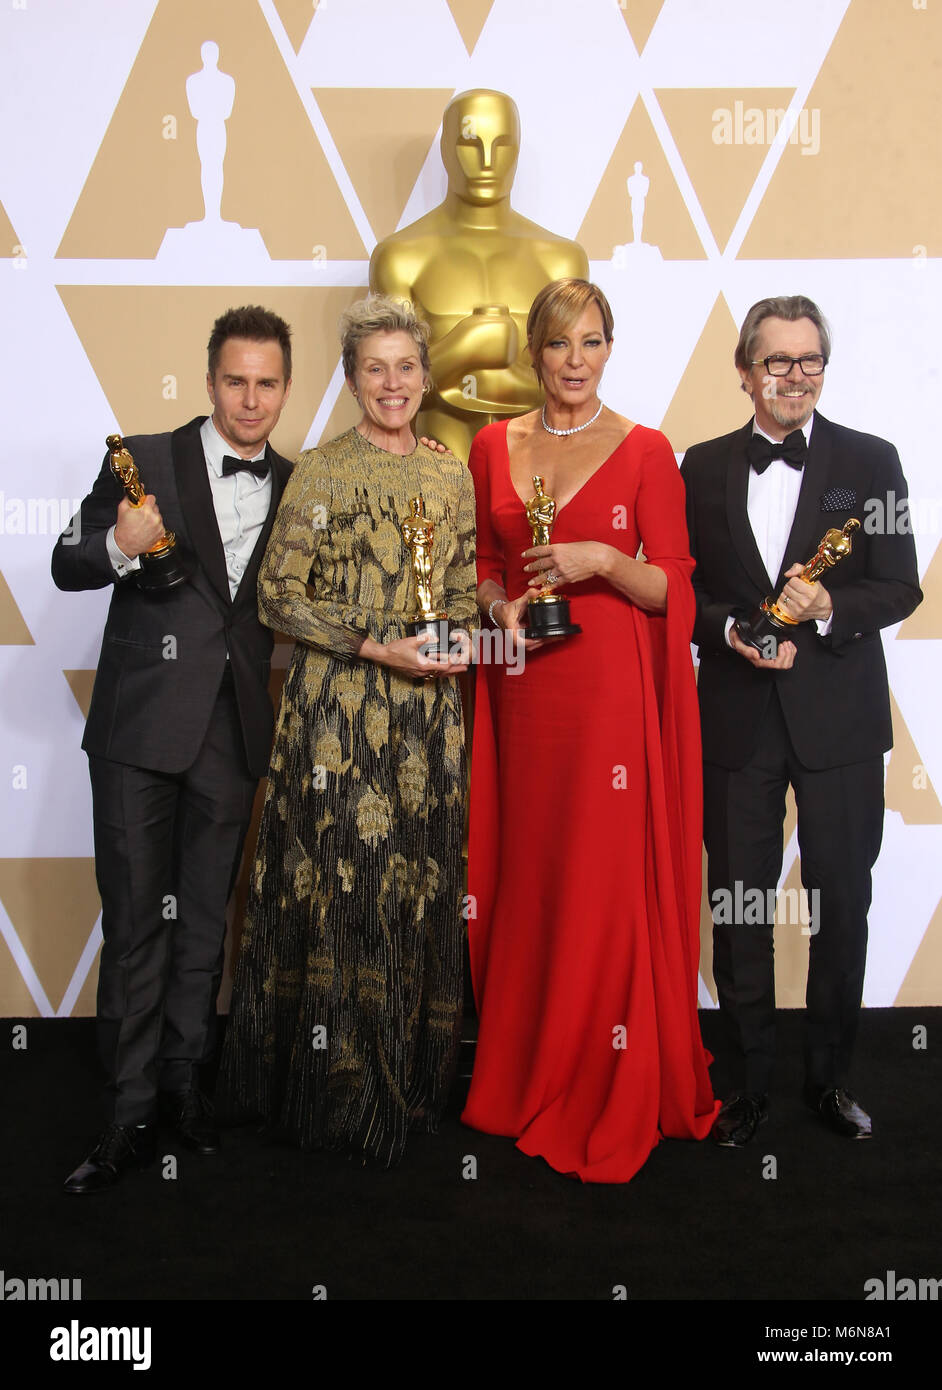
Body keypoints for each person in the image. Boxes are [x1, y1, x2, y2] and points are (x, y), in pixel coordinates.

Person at [462, 278, 718, 1183]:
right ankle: (531, 1064)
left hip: (608, 696)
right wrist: (499, 609)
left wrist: (603, 559)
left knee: (601, 875)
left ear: (611, 349)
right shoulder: (492, 446)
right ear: (534, 351)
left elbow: (673, 589)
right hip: (526, 691)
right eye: (561, 343)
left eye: (594, 342)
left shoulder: (648, 451)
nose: (577, 361)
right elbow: (487, 566)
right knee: (534, 873)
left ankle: (605, 1065)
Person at [217, 295, 477, 1167]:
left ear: (426, 374)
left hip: (428, 724)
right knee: (347, 889)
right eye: (375, 367)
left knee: (414, 887)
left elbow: (468, 593)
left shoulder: (452, 475)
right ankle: (335, 1093)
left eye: (406, 366)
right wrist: (378, 644)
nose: (392, 383)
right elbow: (275, 598)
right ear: (351, 375)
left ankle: (403, 1081)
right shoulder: (321, 473)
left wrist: (449, 644)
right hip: (339, 712)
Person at [52, 305, 295, 1192]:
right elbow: (65, 559)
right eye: (235, 381)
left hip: (231, 734)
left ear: (285, 389)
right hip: (137, 732)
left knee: (203, 927)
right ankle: (124, 1116)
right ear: (208, 382)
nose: (250, 399)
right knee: (132, 930)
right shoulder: (143, 459)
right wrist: (119, 544)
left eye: (267, 383)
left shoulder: (297, 483)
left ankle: (184, 1091)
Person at [680, 295, 922, 1147]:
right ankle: (745, 1091)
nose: (795, 377)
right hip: (739, 721)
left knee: (841, 904)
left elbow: (902, 585)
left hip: (840, 724)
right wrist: (728, 632)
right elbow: (687, 595)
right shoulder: (700, 466)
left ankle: (830, 1081)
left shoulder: (873, 458)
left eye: (809, 360)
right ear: (745, 371)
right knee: (738, 904)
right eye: (777, 362)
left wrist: (827, 607)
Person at [370, 88, 588, 461]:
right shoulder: (401, 257)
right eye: (471, 144)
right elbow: (391, 387)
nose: (487, 162)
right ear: (445, 150)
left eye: (502, 145)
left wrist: (452, 374)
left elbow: (572, 385)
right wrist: (469, 345)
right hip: (433, 477)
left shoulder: (561, 261)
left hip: (540, 474)